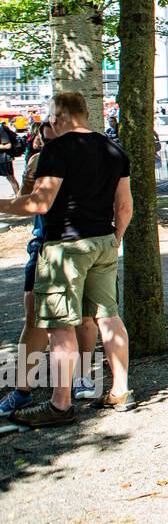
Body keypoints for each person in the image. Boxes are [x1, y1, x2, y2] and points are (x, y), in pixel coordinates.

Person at [0, 92, 134, 426]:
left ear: (60, 117)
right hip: (103, 242)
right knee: (109, 317)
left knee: (60, 325)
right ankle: (120, 390)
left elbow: (39, 204)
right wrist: (114, 238)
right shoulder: (114, 149)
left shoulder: (56, 150)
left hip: (65, 246)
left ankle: (60, 405)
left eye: (51, 117)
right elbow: (125, 206)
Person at [0, 120, 101, 419]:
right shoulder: (39, 161)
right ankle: (21, 389)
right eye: (43, 140)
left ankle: (84, 379)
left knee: (85, 316)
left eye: (52, 138)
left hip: (85, 243)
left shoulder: (92, 160)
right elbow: (29, 202)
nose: (47, 144)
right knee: (35, 316)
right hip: (45, 244)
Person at [0, 118, 21, 196]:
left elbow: (8, 145)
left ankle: (19, 199)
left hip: (3, 159)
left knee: (11, 179)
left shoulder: (1, 129)